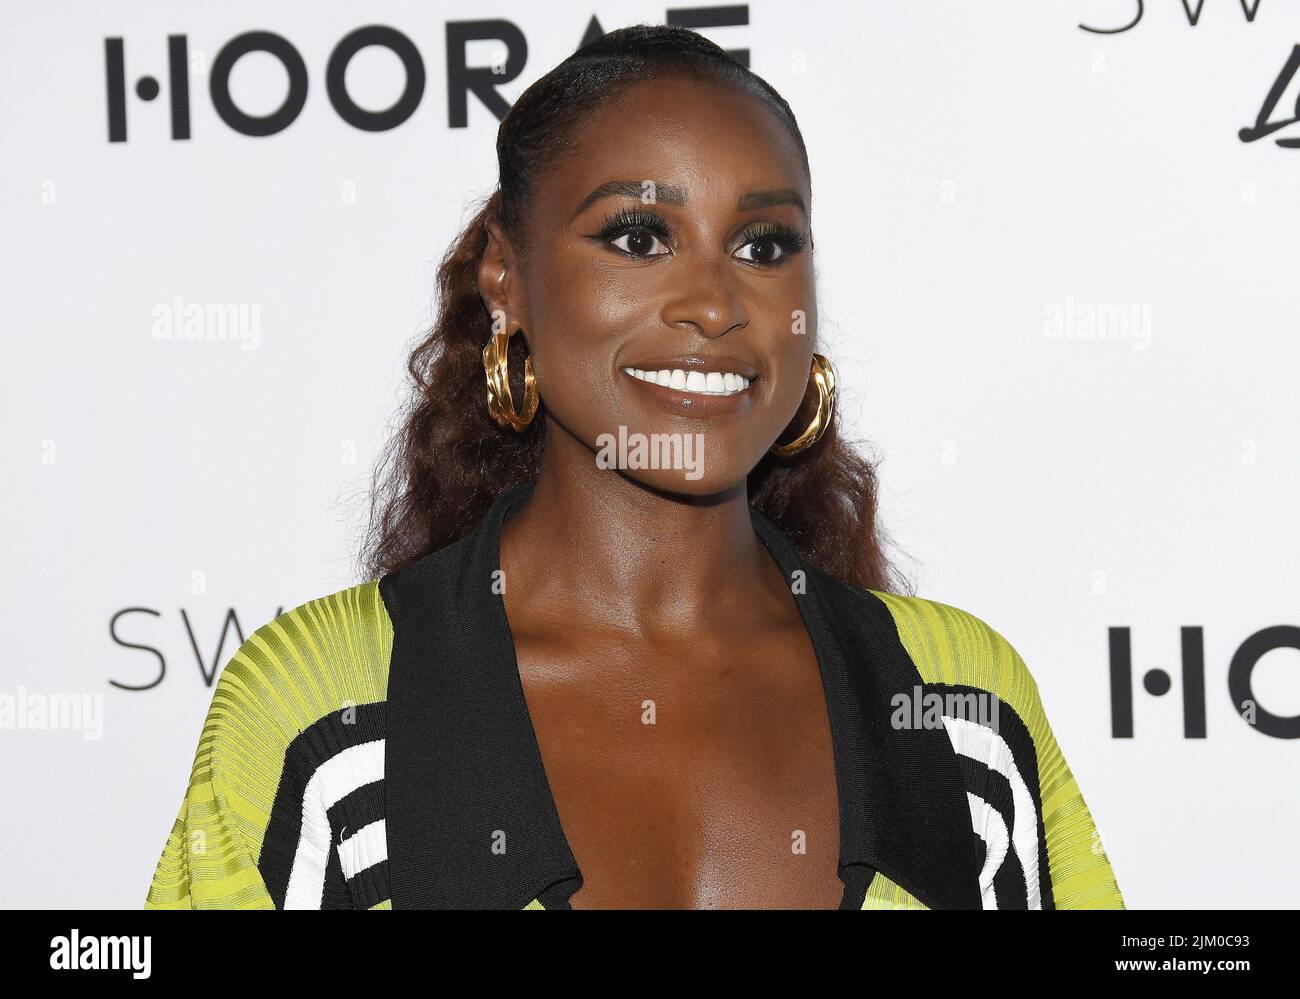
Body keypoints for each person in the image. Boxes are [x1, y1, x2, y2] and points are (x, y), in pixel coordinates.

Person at [144, 24, 1124, 910]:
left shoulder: (963, 711)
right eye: (639, 236)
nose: (711, 301)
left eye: (762, 243)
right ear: (506, 276)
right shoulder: (332, 720)